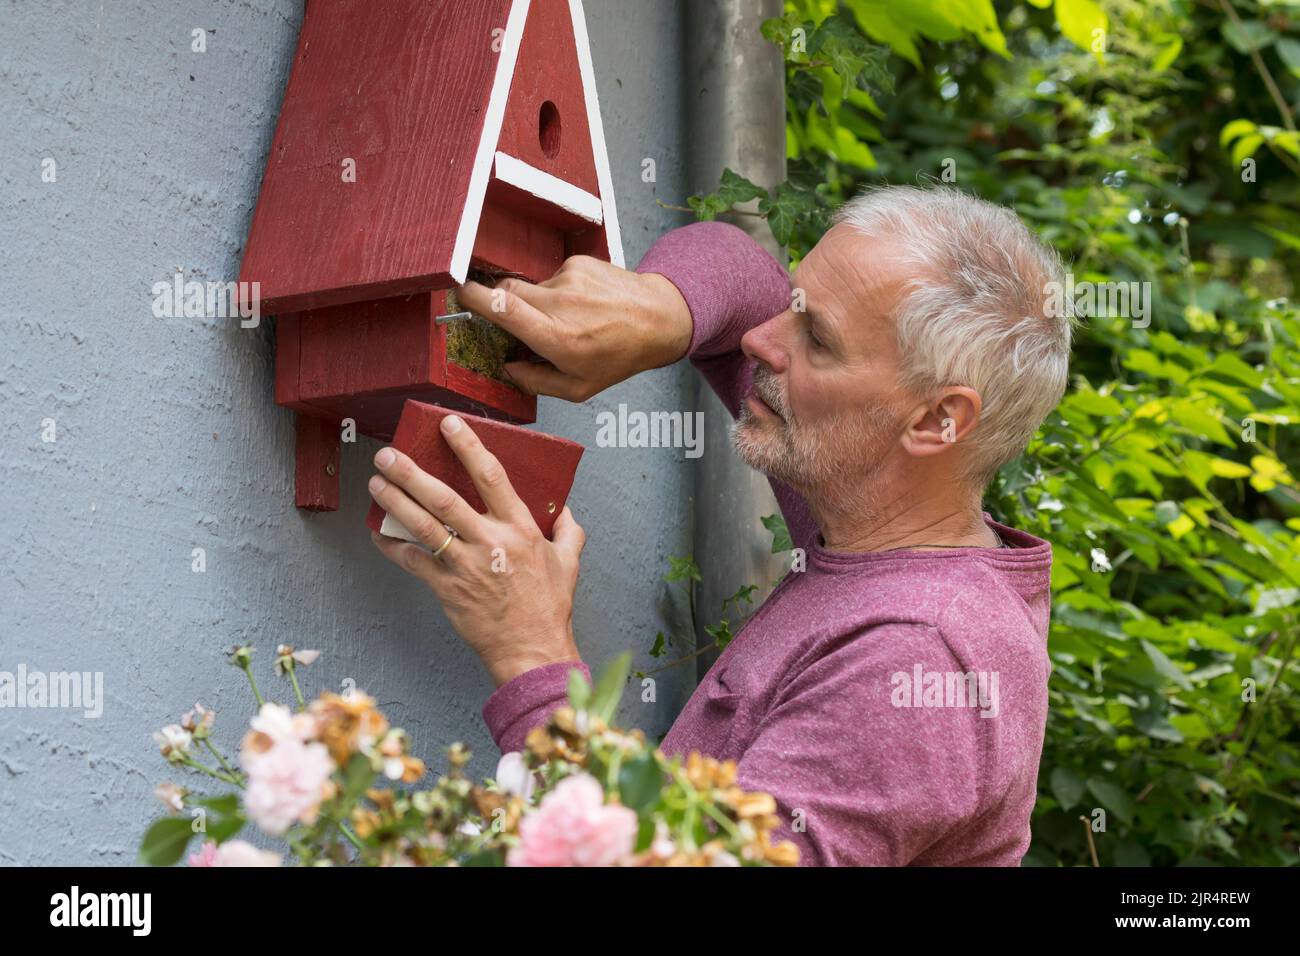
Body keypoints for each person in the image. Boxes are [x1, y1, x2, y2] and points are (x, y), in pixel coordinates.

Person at [365, 184, 1073, 865]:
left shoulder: (915, 658)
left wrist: (530, 656)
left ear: (935, 420)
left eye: (817, 339)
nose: (762, 338)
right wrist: (657, 311)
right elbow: (739, 274)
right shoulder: (879, 520)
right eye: (796, 306)